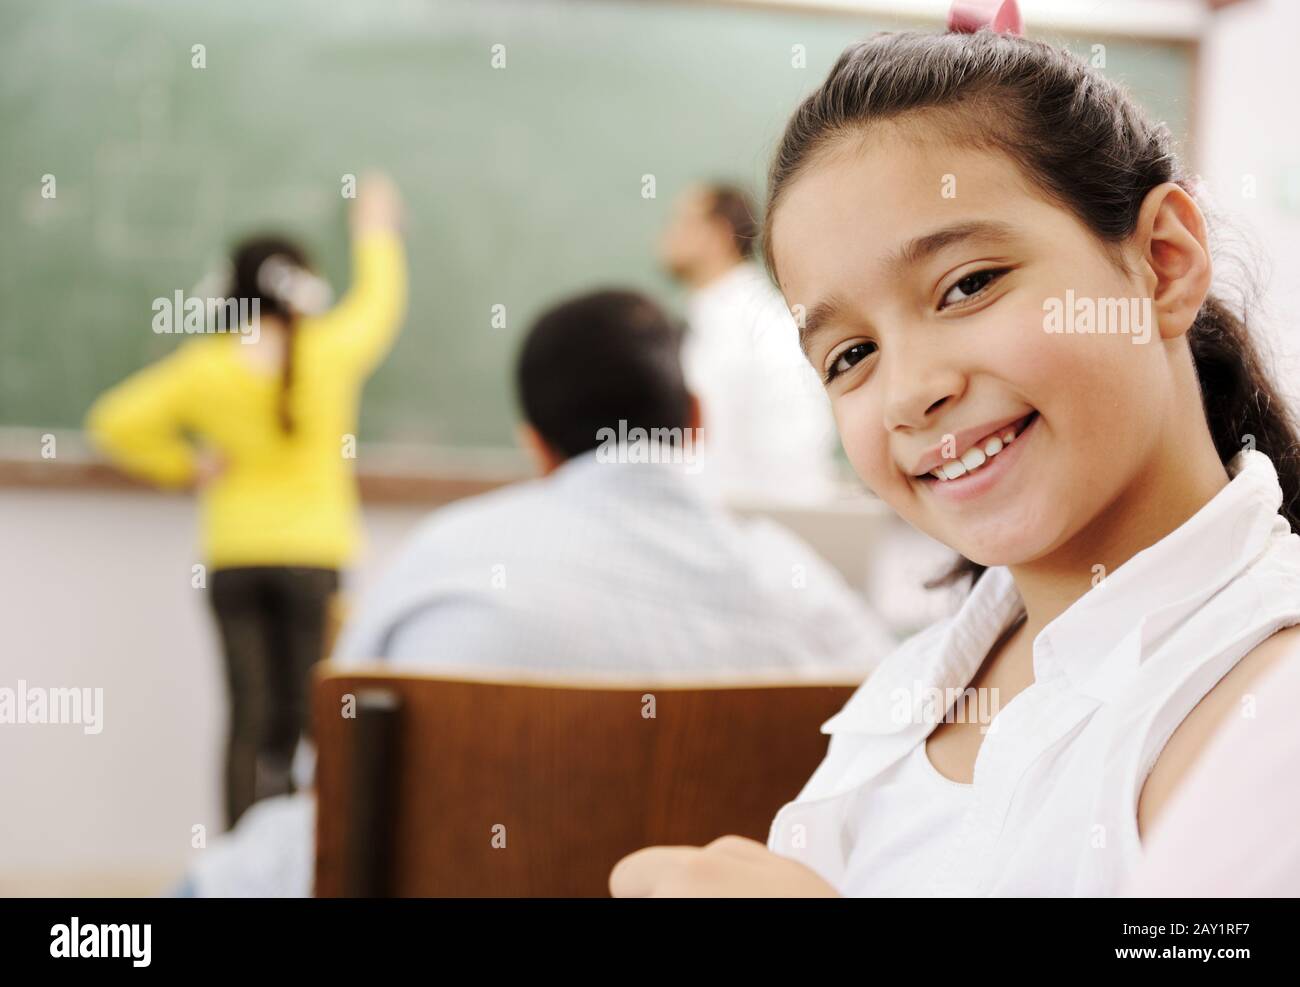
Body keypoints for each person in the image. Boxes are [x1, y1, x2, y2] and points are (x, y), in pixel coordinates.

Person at [611, 28, 1300, 898]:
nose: (908, 393)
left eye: (968, 284)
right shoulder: (918, 688)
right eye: (849, 355)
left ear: (1162, 263)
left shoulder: (1267, 708)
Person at [180, 288, 894, 896]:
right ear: (696, 421)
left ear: (537, 445)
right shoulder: (805, 592)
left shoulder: (445, 558)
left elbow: (326, 783)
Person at [86, 173, 407, 829]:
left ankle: (238, 860)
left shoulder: (205, 365)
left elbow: (112, 420)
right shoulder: (330, 349)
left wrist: (185, 467)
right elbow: (380, 303)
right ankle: (305, 855)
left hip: (233, 557)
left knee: (248, 716)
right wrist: (374, 230)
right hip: (313, 558)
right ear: (305, 288)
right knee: (310, 714)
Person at [660, 182, 839, 504]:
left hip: (759, 518)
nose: (669, 236)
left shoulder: (759, 321)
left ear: (718, 234)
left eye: (684, 222)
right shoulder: (703, 318)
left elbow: (796, 437)